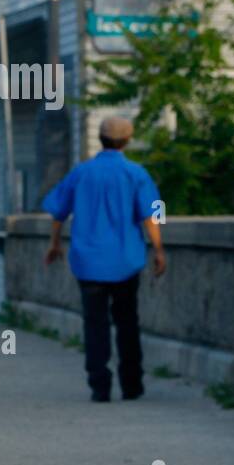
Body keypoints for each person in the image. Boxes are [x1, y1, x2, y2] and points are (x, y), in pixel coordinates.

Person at [42, 116, 166, 402]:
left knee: (94, 324)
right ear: (128, 140)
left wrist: (54, 244)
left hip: (88, 261)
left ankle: (100, 386)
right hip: (125, 260)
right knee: (127, 322)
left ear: (100, 138)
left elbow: (58, 212)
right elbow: (151, 215)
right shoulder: (136, 173)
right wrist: (158, 249)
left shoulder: (81, 172)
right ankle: (131, 384)